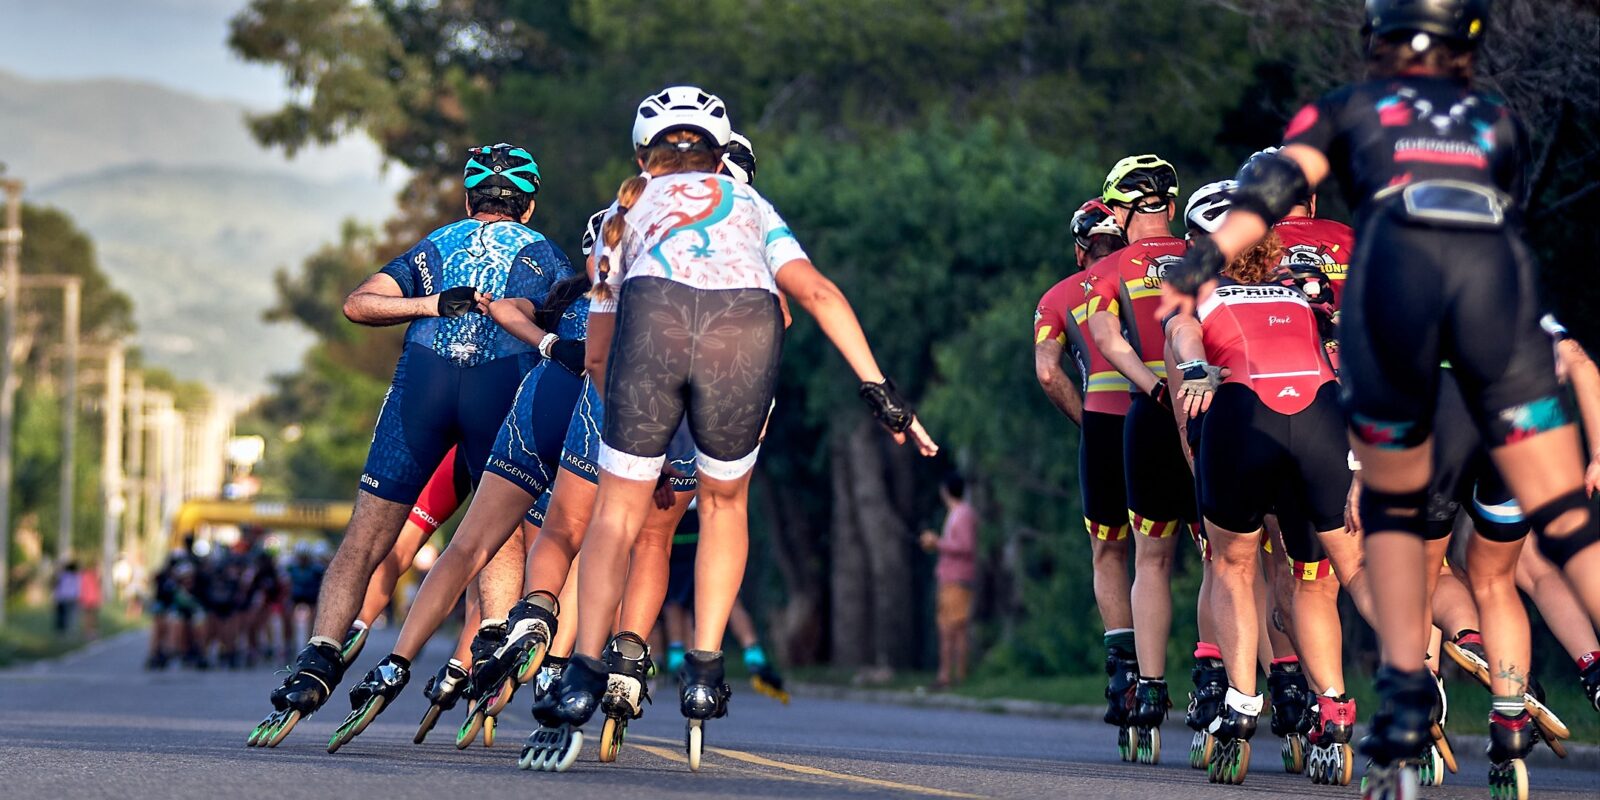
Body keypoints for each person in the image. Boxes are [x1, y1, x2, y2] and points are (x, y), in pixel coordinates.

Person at [1164, 2, 1600, 795]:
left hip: (1353, 410)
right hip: (1490, 408)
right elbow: (1569, 355)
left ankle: (1309, 705)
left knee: (1271, 565)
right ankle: (1475, 706)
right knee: (1482, 568)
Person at [522, 86, 937, 774]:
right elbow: (818, 293)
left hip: (653, 324)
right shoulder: (751, 204)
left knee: (617, 517)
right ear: (720, 155)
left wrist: (614, 403)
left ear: (641, 156)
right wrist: (883, 395)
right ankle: (707, 669)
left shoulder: (620, 213)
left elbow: (597, 342)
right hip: (743, 331)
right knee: (723, 504)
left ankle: (583, 673)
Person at [250, 142, 574, 749]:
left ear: (469, 197)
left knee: (367, 535)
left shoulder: (437, 246)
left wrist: (430, 304)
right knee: (492, 530)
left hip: (420, 391)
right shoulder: (543, 252)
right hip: (500, 392)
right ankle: (491, 642)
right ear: (527, 206)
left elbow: (357, 304)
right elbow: (577, 327)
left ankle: (319, 657)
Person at [1166, 223, 1355, 786]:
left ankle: (1243, 703)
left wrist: (1197, 369)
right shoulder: (1301, 293)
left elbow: (1181, 335)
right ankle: (1347, 701)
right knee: (1328, 575)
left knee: (1232, 565)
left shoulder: (1200, 291)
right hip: (1321, 423)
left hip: (1243, 418)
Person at [1084, 154, 1200, 755]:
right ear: (1172, 207)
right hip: (1211, 412)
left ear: (1122, 211)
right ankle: (1230, 684)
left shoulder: (1114, 266)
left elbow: (1105, 339)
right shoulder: (1206, 252)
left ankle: (1150, 691)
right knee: (1231, 562)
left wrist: (1153, 385)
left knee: (1151, 560)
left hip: (1150, 414)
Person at [1033, 200, 1140, 725]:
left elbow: (1049, 374)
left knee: (1109, 550)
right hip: (1170, 415)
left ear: (1080, 249)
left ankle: (1127, 674)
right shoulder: (1151, 274)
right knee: (1214, 554)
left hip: (1103, 419)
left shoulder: (1056, 297)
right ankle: (1232, 675)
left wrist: (1085, 422)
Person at [920, 473, 978, 689]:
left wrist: (938, 543)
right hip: (951, 578)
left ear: (945, 491)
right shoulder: (958, 513)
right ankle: (951, 675)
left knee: (952, 629)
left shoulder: (962, 515)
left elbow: (965, 546)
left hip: (957, 580)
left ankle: (950, 677)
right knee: (951, 628)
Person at [54, 560, 81, 634]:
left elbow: (59, 587)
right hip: (73, 597)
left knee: (65, 615)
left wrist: (56, 597)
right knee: (72, 616)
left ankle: (64, 631)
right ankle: (72, 630)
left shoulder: (63, 576)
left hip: (64, 597)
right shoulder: (77, 576)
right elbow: (79, 587)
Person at [79, 562, 103, 640]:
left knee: (90, 616)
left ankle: (91, 631)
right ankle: (89, 632)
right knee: (90, 616)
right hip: (90, 598)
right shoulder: (88, 575)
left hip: (90, 598)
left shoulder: (85, 575)